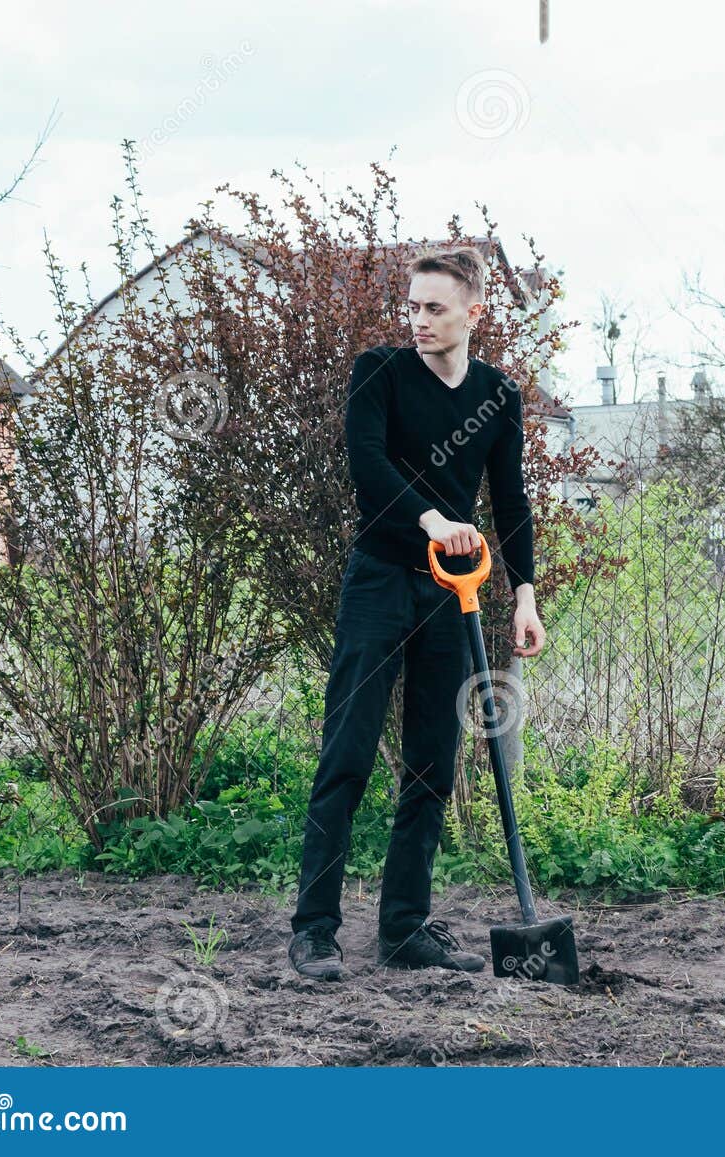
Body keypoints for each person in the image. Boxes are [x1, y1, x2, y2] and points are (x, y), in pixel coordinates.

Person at [287, 246, 546, 980]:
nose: (420, 320)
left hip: (450, 592)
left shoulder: (497, 394)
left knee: (434, 763)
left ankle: (403, 929)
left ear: (474, 313)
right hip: (379, 582)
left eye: (435, 307)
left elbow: (511, 497)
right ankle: (314, 928)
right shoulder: (381, 372)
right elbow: (367, 465)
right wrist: (432, 519)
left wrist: (523, 593)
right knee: (348, 755)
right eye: (413, 306)